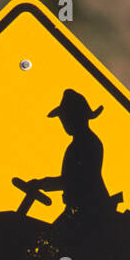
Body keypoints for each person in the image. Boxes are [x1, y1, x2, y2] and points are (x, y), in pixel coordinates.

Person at [23, 89, 109, 217]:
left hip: (91, 212)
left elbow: (76, 180)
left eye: (66, 117)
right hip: (80, 209)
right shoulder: (79, 144)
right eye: (63, 118)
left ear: (77, 117)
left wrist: (41, 183)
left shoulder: (87, 143)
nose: (64, 122)